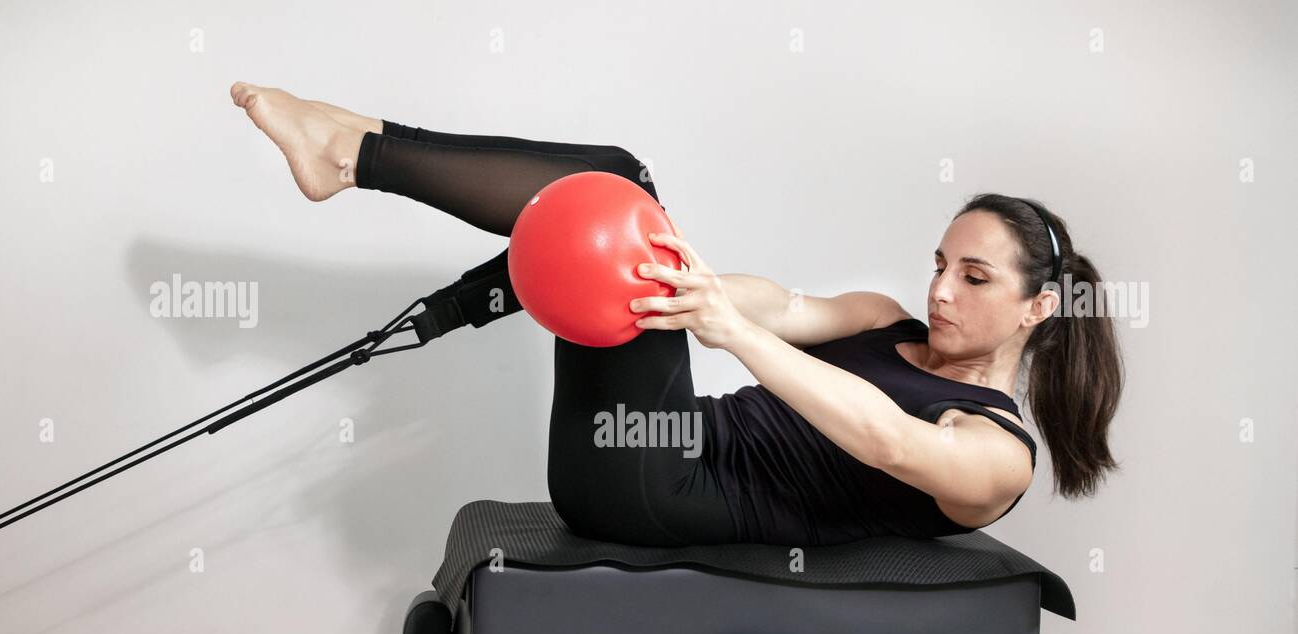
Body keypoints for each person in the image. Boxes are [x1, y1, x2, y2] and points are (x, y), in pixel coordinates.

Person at [229, 83, 1123, 548]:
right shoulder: (888, 320)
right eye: (939, 265)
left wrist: (731, 336)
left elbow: (888, 440)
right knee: (618, 188)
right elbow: (784, 304)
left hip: (662, 492)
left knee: (618, 189)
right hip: (649, 441)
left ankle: (350, 151)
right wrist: (691, 282)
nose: (939, 292)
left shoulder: (998, 453)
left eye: (973, 279)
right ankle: (349, 146)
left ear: (1038, 308)